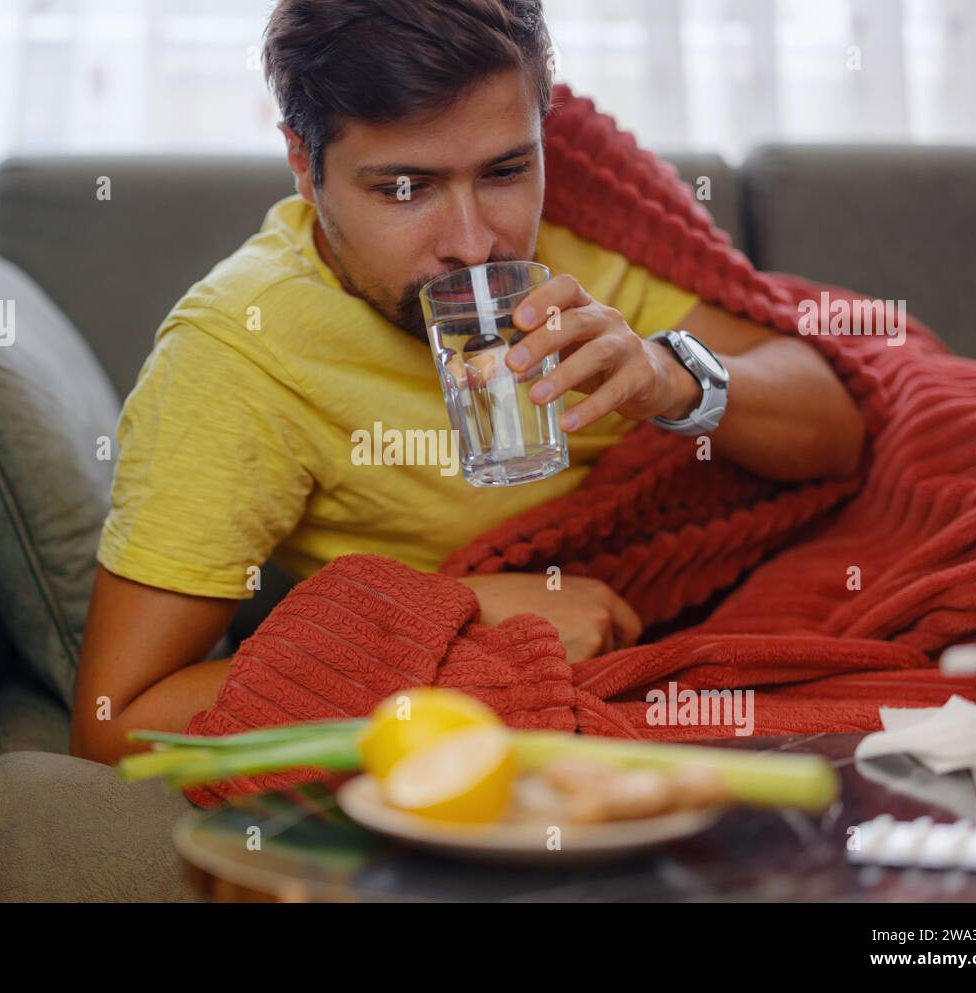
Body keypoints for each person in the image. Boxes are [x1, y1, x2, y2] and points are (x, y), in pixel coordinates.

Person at [70, 0, 864, 764]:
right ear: (304, 167)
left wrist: (668, 376)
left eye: (506, 170)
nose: (476, 245)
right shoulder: (237, 355)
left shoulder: (577, 237)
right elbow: (117, 720)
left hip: (762, 613)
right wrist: (468, 619)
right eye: (404, 188)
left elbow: (837, 432)